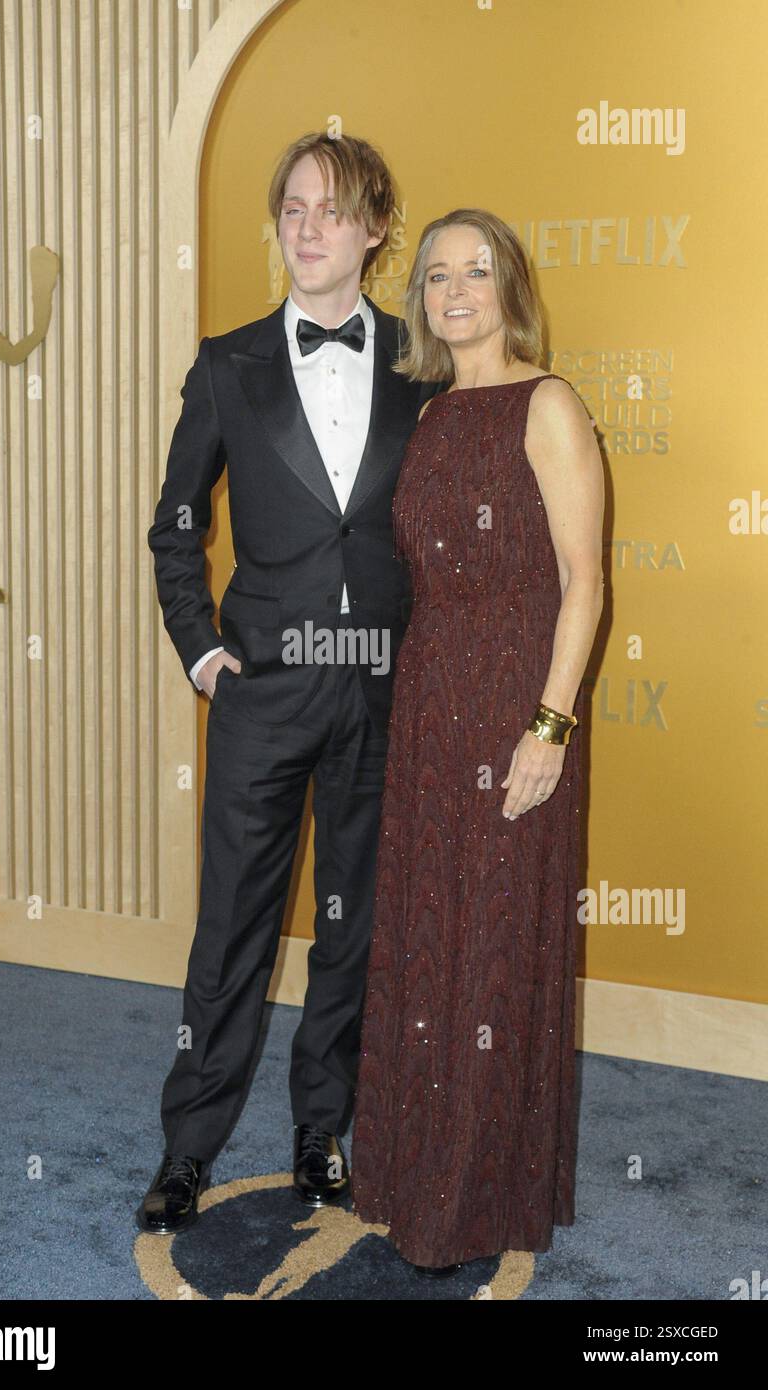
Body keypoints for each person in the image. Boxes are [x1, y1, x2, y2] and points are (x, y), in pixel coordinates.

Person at [137, 132, 443, 1235]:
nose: (306, 228)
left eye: (330, 209)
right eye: (292, 208)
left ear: (373, 230)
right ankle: (188, 1148)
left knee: (351, 924)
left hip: (381, 691)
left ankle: (323, 1132)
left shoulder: (422, 360)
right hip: (263, 689)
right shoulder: (228, 362)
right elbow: (178, 523)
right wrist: (201, 650)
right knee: (232, 929)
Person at [350, 209, 605, 1274]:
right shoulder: (427, 415)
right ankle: (413, 1170)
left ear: (511, 285)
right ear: (424, 300)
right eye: (439, 274)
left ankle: (474, 1197)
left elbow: (585, 582)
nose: (457, 289)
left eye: (478, 270)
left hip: (517, 702)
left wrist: (549, 726)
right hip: (431, 699)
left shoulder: (549, 403)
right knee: (428, 931)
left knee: (496, 945)